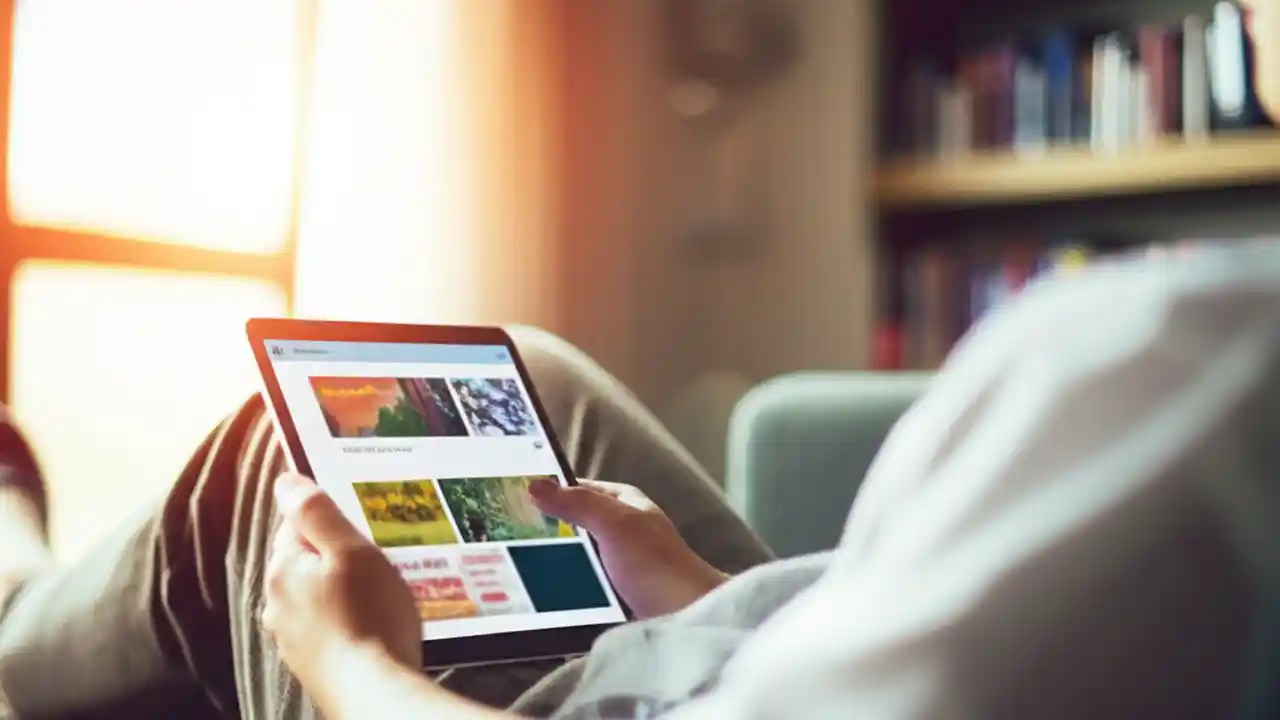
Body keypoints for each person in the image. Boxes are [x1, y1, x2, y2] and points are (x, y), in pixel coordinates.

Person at [2, 2, 1279, 717]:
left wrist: (354, 671)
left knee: (278, 472)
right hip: (717, 650)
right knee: (515, 382)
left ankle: (8, 580)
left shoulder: (1184, 359)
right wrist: (699, 589)